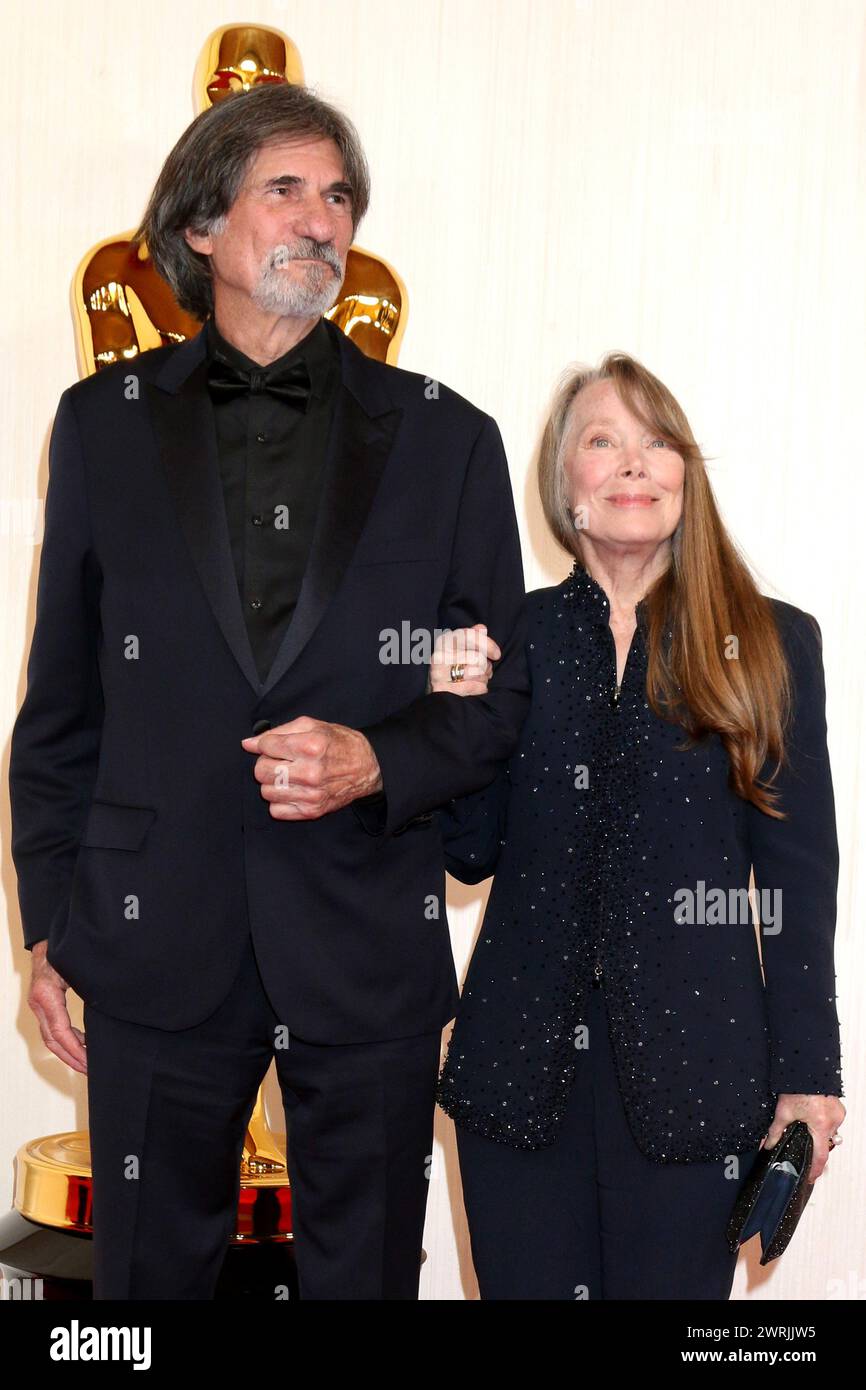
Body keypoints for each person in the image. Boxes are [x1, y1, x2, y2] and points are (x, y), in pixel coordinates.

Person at [9, 82, 530, 1300]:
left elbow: (486, 693)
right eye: (284, 190)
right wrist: (48, 922)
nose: (322, 220)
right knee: (142, 1288)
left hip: (362, 938)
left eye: (338, 196)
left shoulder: (448, 439)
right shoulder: (99, 426)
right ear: (200, 227)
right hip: (149, 937)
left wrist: (376, 760)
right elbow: (61, 708)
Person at [430, 352, 845, 1299]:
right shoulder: (512, 640)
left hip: (702, 1083)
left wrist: (809, 1075)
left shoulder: (773, 644)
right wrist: (451, 718)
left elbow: (797, 882)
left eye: (657, 442)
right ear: (562, 484)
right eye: (603, 441)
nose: (633, 464)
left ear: (685, 480)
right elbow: (468, 852)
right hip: (516, 1085)